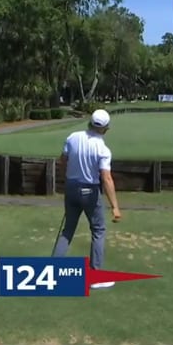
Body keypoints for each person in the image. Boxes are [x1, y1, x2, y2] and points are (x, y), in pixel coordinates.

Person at [52, 109, 122, 289]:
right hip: (90, 191)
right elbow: (106, 178)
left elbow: (62, 162)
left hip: (71, 187)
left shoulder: (73, 137)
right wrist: (115, 206)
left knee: (68, 230)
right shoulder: (103, 149)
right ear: (106, 128)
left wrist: (65, 180)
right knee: (98, 230)